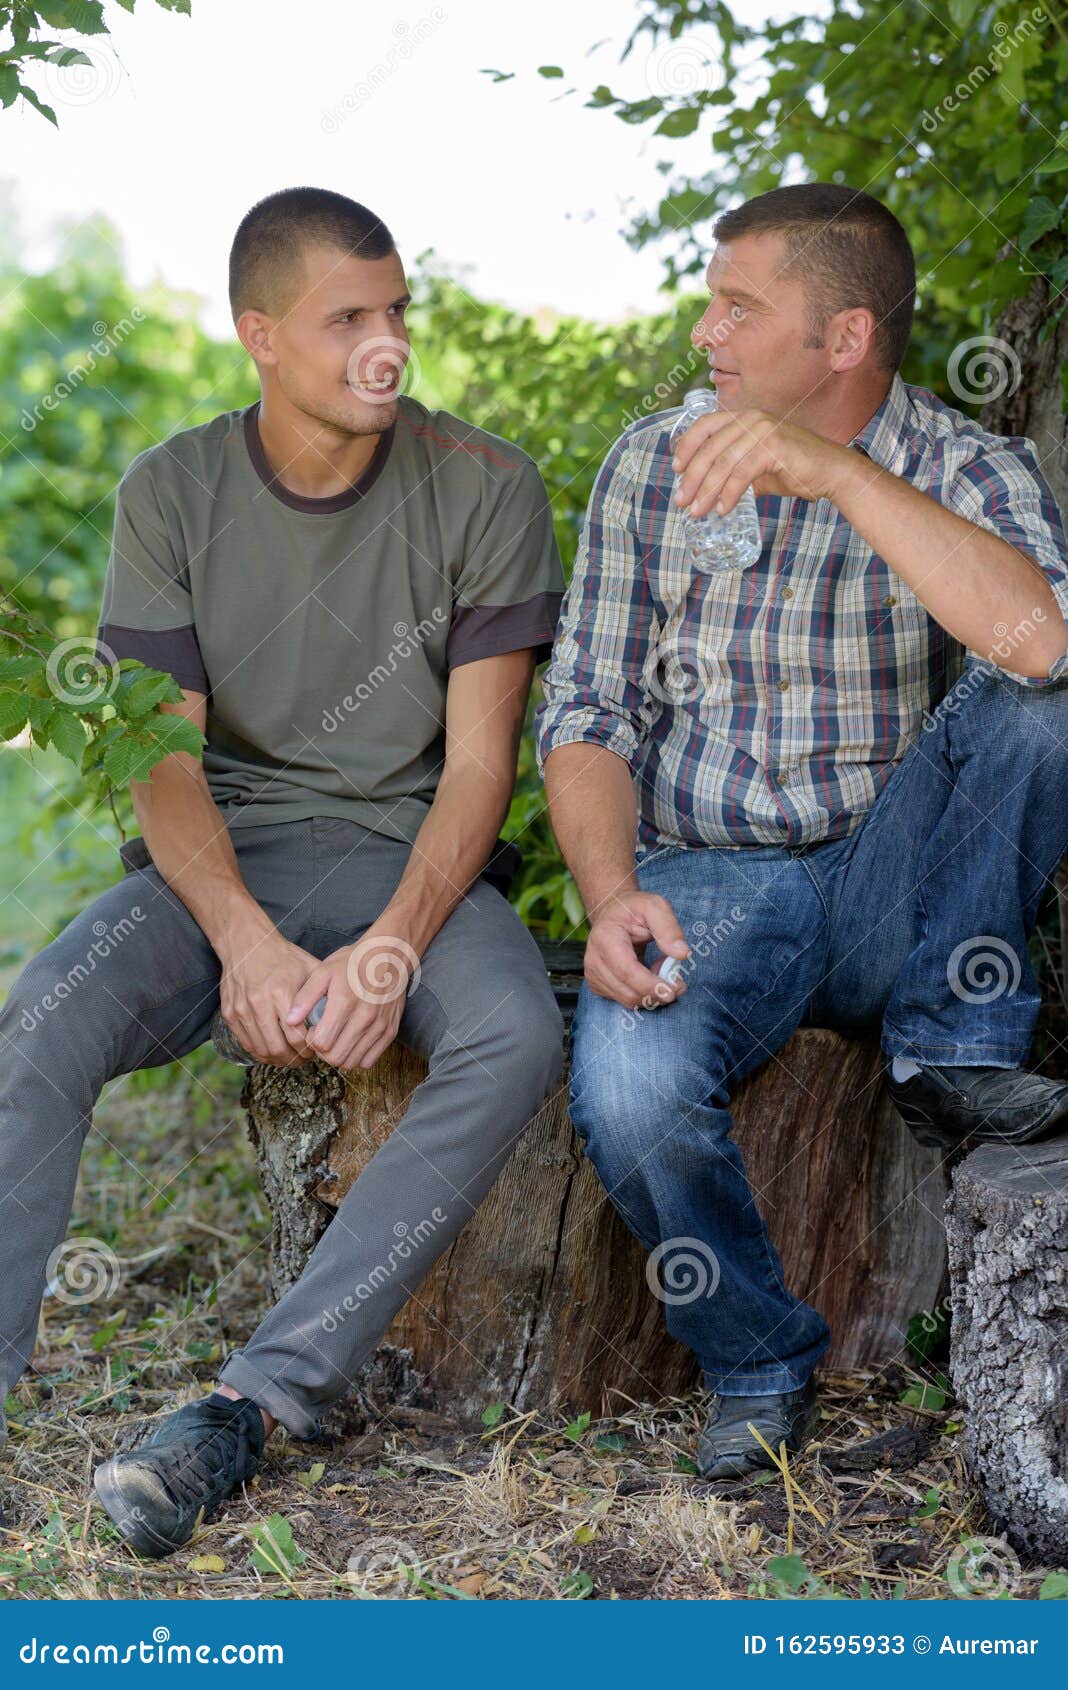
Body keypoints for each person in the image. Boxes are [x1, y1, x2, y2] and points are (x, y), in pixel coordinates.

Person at [0, 187, 566, 1555]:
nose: (387, 345)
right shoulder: (171, 490)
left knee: (515, 1032)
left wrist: (396, 940)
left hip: (409, 860)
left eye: (398, 312)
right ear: (259, 333)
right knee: (37, 1022)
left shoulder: (485, 486)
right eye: (347, 319)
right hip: (221, 865)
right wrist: (245, 941)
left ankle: (253, 1400)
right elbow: (160, 757)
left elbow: (480, 767)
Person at [534, 182, 1068, 1482]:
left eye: (739, 308)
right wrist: (611, 893)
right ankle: (760, 1354)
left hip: (894, 873)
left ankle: (951, 1046)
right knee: (630, 1096)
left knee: (1044, 699)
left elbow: (1042, 642)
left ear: (846, 339)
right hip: (708, 880)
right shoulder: (652, 463)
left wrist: (836, 473)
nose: (705, 334)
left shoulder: (958, 462)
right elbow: (588, 707)